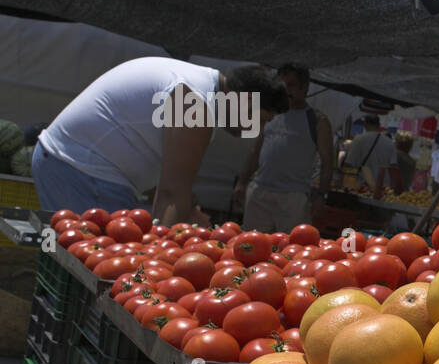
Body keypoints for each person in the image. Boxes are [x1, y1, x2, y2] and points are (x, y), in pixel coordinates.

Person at [32, 56, 288, 224]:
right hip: (81, 172)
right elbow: (171, 193)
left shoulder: (200, 87)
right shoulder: (194, 101)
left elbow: (168, 179)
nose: (257, 128)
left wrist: (189, 210)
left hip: (73, 165)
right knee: (101, 279)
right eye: (260, 118)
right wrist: (163, 262)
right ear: (241, 98)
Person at [234, 63, 333, 233]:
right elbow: (255, 152)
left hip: (293, 199)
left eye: (292, 85)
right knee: (250, 246)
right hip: (260, 193)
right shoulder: (271, 113)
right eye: (282, 85)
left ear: (305, 86)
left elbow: (328, 162)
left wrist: (321, 196)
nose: (286, 90)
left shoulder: (318, 121)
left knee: (290, 252)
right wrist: (242, 182)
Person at [344, 115, 398, 192]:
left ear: (365, 124)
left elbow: (349, 164)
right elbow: (393, 167)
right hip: (384, 188)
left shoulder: (358, 140)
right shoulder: (390, 143)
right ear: (379, 125)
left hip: (362, 187)